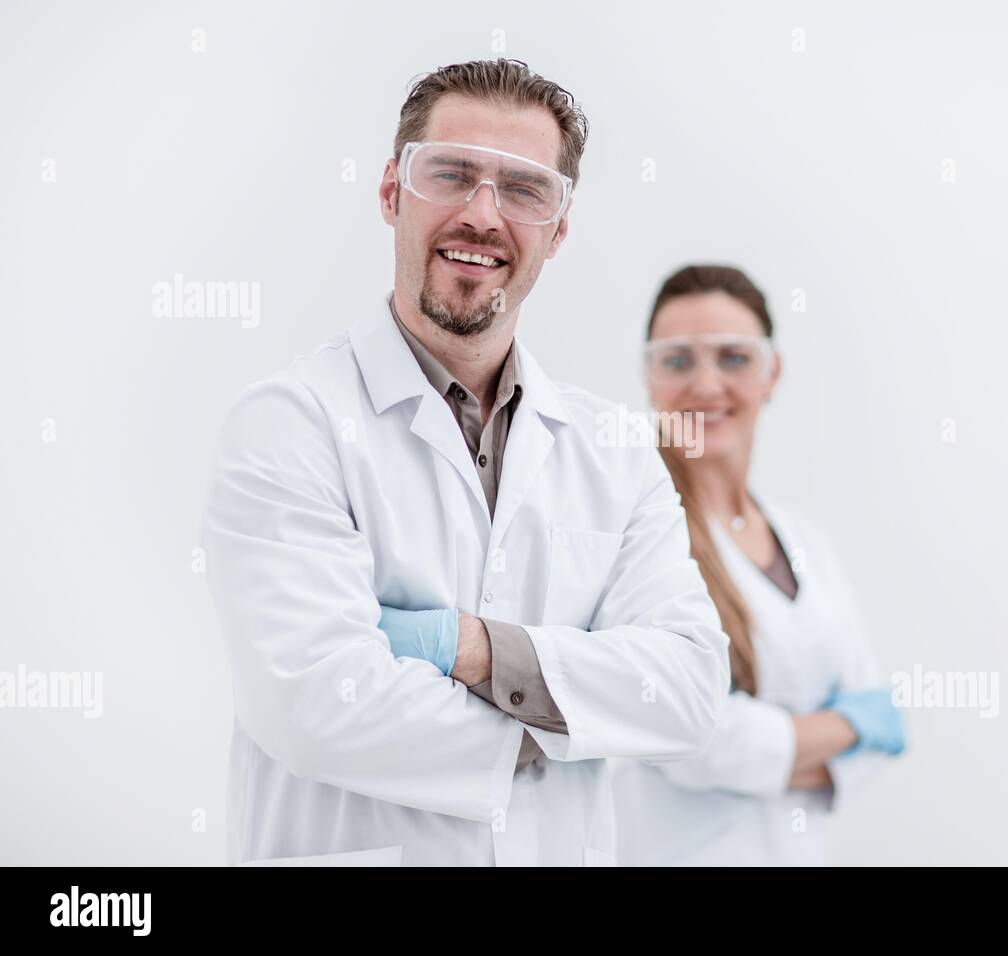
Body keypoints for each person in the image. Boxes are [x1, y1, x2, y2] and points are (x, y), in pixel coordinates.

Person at [199, 61, 730, 867]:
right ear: (391, 193)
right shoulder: (290, 423)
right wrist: (575, 718)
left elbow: (689, 689)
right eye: (451, 174)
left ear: (558, 228)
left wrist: (469, 650)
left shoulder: (613, 449)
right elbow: (314, 705)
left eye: (524, 189)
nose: (482, 215)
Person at [611, 265, 905, 866]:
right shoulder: (631, 531)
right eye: (677, 360)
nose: (706, 383)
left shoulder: (806, 541)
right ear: (648, 376)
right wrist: (850, 727)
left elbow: (875, 713)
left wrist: (769, 750)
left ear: (773, 374)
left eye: (734, 358)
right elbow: (684, 734)